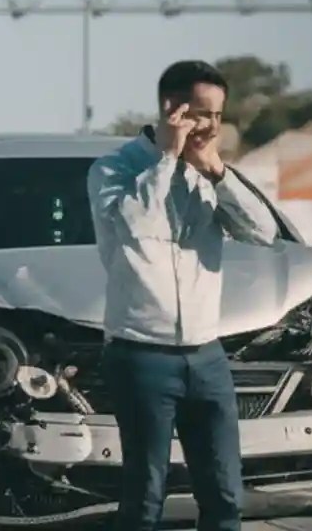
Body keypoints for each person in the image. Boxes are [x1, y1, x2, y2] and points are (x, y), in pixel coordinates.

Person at [86, 60, 279, 531]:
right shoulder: (114, 169)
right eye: (202, 114)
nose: (211, 126)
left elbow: (264, 232)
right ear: (171, 110)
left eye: (218, 116)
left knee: (225, 493)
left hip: (207, 356)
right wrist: (168, 160)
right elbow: (135, 227)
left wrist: (217, 172)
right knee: (146, 497)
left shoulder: (208, 173)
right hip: (141, 356)